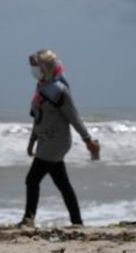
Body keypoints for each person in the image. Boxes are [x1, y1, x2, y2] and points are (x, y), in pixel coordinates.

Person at [20, 49, 100, 228]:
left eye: (36, 67)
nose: (34, 71)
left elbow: (74, 117)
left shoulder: (59, 91)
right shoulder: (41, 87)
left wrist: (88, 140)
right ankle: (77, 221)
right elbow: (39, 118)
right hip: (45, 141)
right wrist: (32, 140)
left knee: (32, 179)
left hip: (57, 142)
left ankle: (28, 219)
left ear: (46, 67)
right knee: (62, 182)